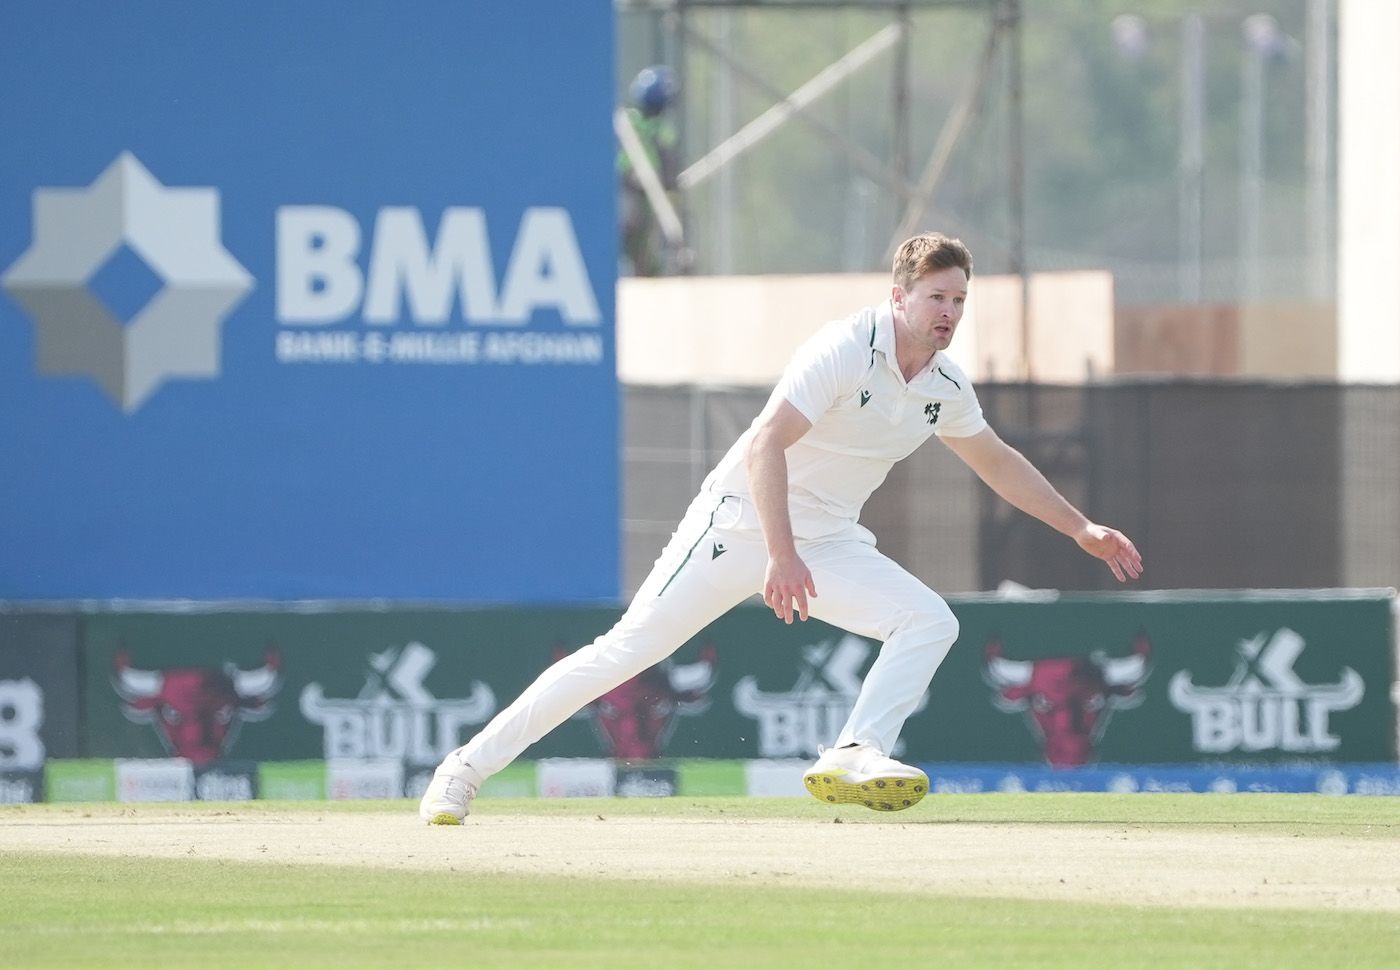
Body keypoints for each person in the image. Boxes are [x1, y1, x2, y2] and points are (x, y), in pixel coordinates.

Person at [420, 232, 1143, 824]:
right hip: (738, 524)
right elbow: (766, 443)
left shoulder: (945, 385)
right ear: (898, 297)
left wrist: (1081, 528)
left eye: (958, 300)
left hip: (827, 539)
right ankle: (462, 771)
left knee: (929, 621)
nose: (948, 312)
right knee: (625, 652)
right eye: (936, 297)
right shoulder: (843, 348)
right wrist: (781, 552)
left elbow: (996, 460)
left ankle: (854, 752)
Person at [617, 65, 679, 277]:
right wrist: (670, 185)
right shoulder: (657, 128)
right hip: (636, 190)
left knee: (637, 241)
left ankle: (643, 273)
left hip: (635, 189)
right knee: (638, 238)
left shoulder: (626, 120)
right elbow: (668, 167)